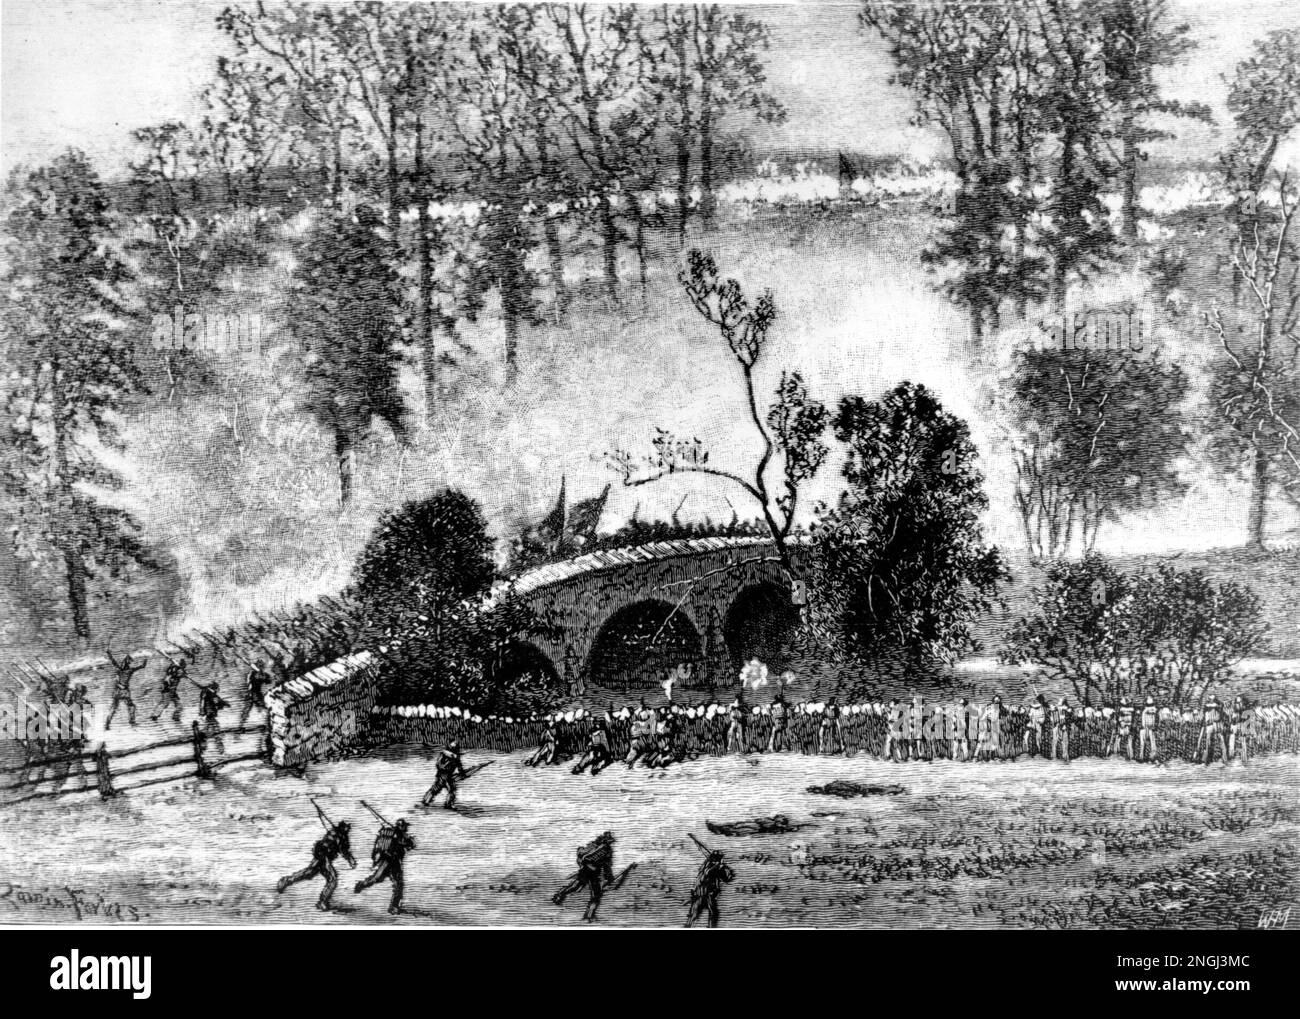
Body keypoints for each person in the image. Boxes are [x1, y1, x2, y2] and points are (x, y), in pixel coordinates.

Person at [277, 819, 356, 911]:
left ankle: (286, 881)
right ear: (343, 827)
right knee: (332, 879)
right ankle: (322, 902)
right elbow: (342, 850)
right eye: (346, 827)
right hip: (323, 858)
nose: (348, 829)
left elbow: (343, 850)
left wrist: (350, 859)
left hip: (321, 857)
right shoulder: (337, 835)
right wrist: (350, 860)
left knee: (309, 873)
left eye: (348, 827)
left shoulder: (338, 834)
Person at [355, 817, 415, 915]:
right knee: (376, 879)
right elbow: (410, 844)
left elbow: (411, 844)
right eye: (405, 826)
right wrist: (406, 838)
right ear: (401, 827)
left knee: (398, 884)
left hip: (395, 862)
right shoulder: (399, 836)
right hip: (387, 862)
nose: (406, 828)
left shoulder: (394, 834)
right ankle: (361, 884)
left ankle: (394, 906)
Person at [552, 831, 616, 922]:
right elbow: (605, 866)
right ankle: (588, 916)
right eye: (610, 841)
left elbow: (582, 855)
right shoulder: (606, 850)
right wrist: (609, 878)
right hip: (590, 872)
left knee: (575, 887)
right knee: (594, 895)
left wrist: (584, 865)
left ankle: (559, 895)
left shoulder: (593, 845)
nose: (610, 843)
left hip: (586, 871)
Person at [686, 849, 736, 929]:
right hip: (707, 895)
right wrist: (725, 869)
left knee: (694, 916)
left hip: (701, 895)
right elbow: (727, 878)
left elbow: (727, 878)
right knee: (712, 915)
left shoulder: (706, 866)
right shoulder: (715, 867)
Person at [104, 648, 147, 729]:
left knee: (115, 708)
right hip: (123, 691)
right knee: (129, 706)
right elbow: (142, 666)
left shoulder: (121, 669)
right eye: (129, 661)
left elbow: (113, 661)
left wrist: (109, 654)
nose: (130, 663)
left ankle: (107, 724)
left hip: (119, 691)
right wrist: (144, 661)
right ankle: (131, 722)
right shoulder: (128, 670)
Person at [421, 741, 467, 808]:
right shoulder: (444, 755)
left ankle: (448, 804)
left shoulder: (456, 757)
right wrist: (444, 769)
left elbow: (459, 767)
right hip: (442, 775)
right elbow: (438, 764)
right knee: (438, 789)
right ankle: (426, 801)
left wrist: (462, 773)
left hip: (447, 775)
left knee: (450, 789)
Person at [151, 655, 187, 723]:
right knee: (165, 703)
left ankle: (176, 716)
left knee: (179, 705)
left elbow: (182, 674)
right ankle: (155, 715)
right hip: (167, 690)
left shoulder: (177, 671)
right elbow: (168, 678)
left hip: (173, 691)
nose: (181, 671)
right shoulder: (172, 673)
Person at [198, 681, 229, 754]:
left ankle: (203, 742)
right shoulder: (210, 694)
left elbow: (218, 701)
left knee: (209, 728)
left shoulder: (209, 694)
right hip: (209, 714)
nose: (218, 690)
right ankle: (220, 747)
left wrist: (224, 703)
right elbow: (217, 702)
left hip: (209, 714)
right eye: (218, 688)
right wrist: (224, 704)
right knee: (216, 728)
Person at [239, 658, 272, 726]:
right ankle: (241, 725)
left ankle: (267, 723)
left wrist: (263, 675)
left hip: (256, 693)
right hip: (253, 693)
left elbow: (268, 681)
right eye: (260, 665)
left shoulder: (260, 674)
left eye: (261, 665)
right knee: (247, 710)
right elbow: (250, 682)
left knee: (263, 707)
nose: (261, 667)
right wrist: (261, 675)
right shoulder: (253, 674)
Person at [1198, 695, 1228, 766]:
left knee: (1221, 741)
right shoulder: (1208, 707)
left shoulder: (1217, 707)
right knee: (1208, 742)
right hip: (1209, 725)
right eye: (1210, 699)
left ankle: (1224, 759)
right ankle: (1205, 760)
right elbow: (1206, 712)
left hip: (1216, 724)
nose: (1210, 701)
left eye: (1212, 699)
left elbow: (1220, 712)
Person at [626, 701, 655, 768]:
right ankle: (630, 762)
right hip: (636, 741)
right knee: (634, 752)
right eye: (642, 714)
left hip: (641, 741)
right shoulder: (637, 723)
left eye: (645, 714)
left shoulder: (645, 722)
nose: (644, 716)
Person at [977, 695, 1004, 761]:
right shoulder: (990, 707)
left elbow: (1001, 716)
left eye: (998, 700)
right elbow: (984, 716)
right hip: (988, 726)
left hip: (996, 726)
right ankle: (984, 757)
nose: (996, 701)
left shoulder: (1000, 708)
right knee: (986, 741)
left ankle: (992, 757)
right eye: (995, 700)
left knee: (995, 742)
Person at [1110, 696, 1136, 760]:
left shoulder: (1121, 709)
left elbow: (1119, 718)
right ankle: (1129, 754)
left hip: (1123, 725)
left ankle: (1118, 752)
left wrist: (1120, 722)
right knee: (1127, 739)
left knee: (1119, 738)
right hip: (1127, 725)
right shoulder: (1131, 709)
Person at [1228, 695, 1253, 764]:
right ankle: (1231, 754)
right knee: (1232, 738)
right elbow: (1232, 718)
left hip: (1242, 724)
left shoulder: (1244, 709)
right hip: (1235, 725)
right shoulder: (1234, 709)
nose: (1238, 704)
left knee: (1243, 740)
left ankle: (1244, 757)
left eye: (1240, 702)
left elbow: (1246, 718)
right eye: (1237, 702)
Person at [1052, 698, 1075, 762]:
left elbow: (1072, 718)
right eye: (1059, 701)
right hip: (1057, 727)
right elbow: (1054, 718)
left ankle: (1065, 756)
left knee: (1065, 742)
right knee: (1056, 742)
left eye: (1060, 701)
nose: (1058, 702)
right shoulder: (1056, 709)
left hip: (1065, 727)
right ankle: (1056, 756)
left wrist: (1066, 717)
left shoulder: (1068, 709)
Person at [1139, 695, 1159, 762]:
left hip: (1150, 728)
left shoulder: (1152, 710)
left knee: (1152, 743)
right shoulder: (1145, 711)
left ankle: (1152, 757)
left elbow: (1155, 716)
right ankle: (1142, 757)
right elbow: (1143, 720)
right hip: (1145, 728)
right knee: (1143, 743)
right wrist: (1144, 726)